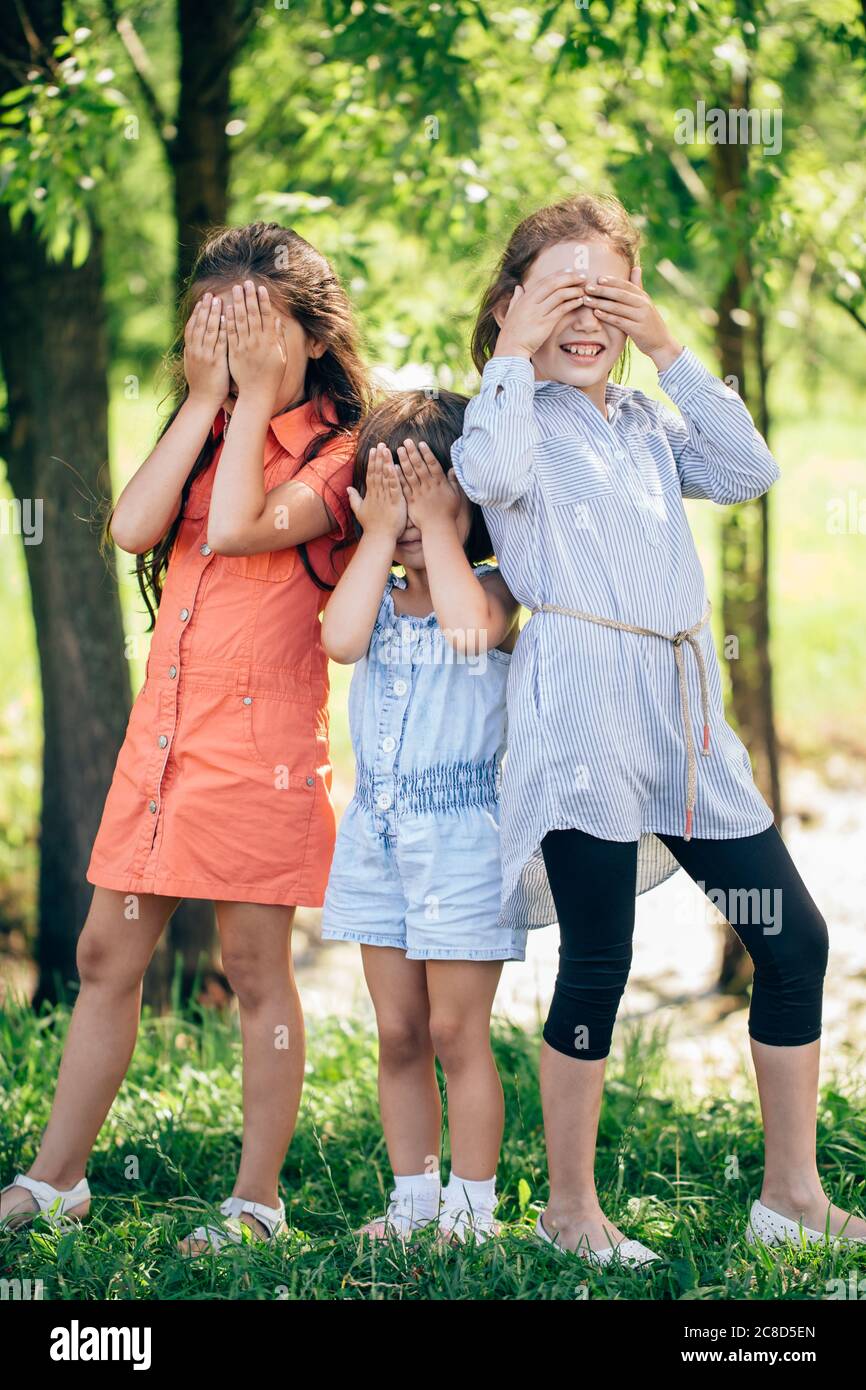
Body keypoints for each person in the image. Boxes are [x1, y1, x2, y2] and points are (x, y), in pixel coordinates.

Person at [452, 193, 863, 1264]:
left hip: (681, 715)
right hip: (581, 705)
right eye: (560, 294)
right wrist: (514, 347)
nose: (586, 318)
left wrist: (669, 346)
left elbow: (748, 470)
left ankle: (789, 1196)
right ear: (512, 306)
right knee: (599, 957)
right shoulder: (508, 417)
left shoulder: (641, 423)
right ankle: (571, 1212)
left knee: (790, 937)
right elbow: (486, 478)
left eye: (608, 294)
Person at [0, 223, 369, 1253]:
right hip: (162, 743)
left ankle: (255, 1201)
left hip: (260, 750)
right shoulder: (202, 426)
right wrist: (213, 397)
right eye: (212, 323)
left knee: (254, 968)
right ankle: (56, 1177)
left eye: (255, 324)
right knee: (101, 947)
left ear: (312, 332)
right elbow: (132, 527)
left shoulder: (344, 453)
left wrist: (253, 400)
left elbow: (246, 527)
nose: (232, 339)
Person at [320, 390, 522, 1242]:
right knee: (399, 1031)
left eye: (428, 493)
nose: (408, 516)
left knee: (452, 1029)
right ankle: (412, 1202)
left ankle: (472, 1213)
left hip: (463, 839)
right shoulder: (372, 583)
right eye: (388, 493)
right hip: (377, 833)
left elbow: (472, 633)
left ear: (463, 498)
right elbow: (339, 639)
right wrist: (378, 535)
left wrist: (439, 524)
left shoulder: (495, 587)